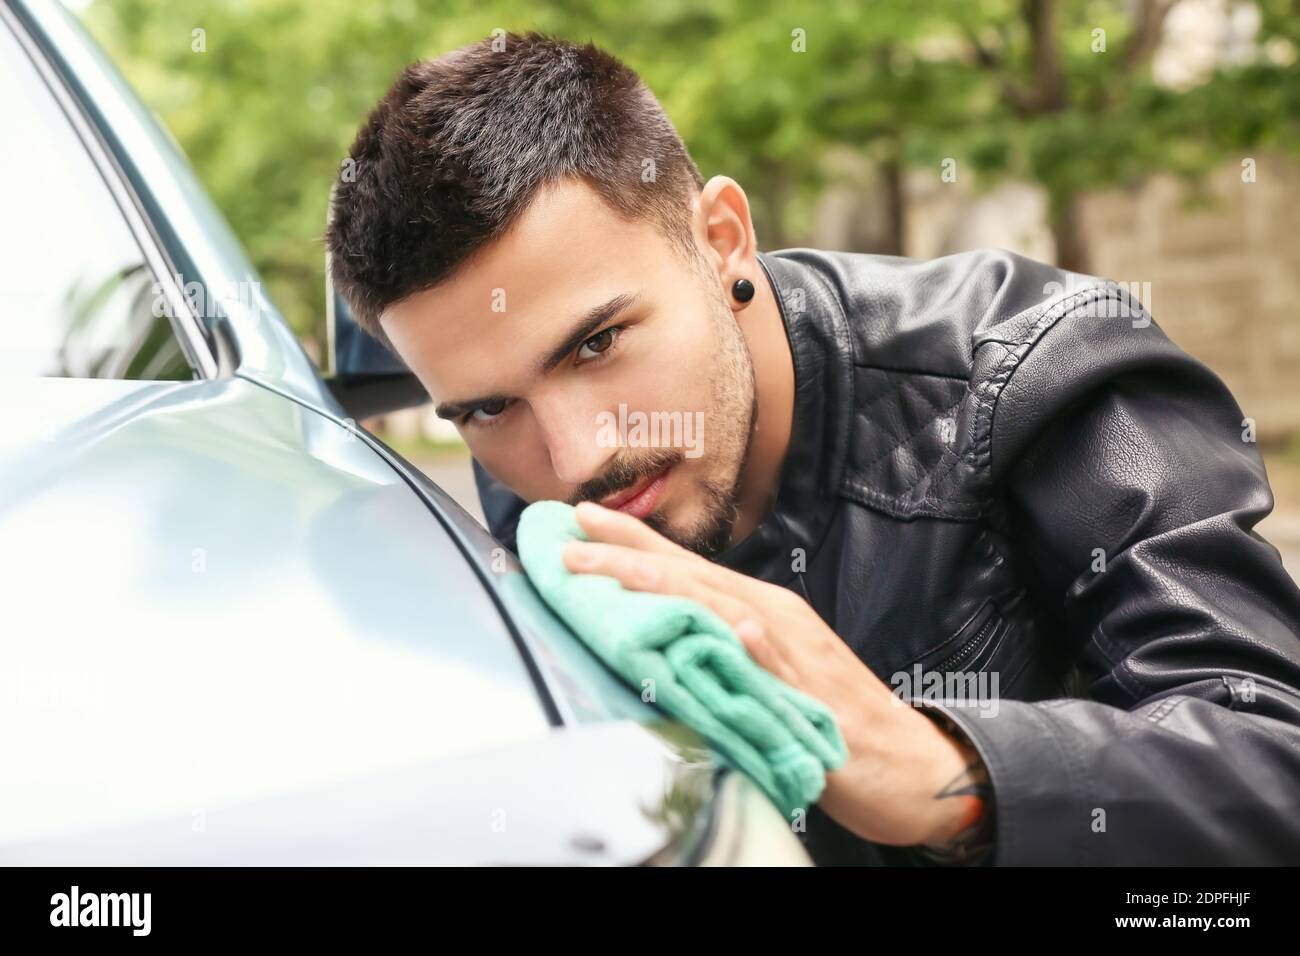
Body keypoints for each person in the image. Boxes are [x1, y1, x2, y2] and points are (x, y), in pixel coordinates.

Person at [325, 32, 1300, 865]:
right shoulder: (535, 511)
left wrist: (948, 772)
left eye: (597, 344)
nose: (577, 458)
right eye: (487, 409)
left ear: (721, 236)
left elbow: (1271, 751)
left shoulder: (1037, 372)